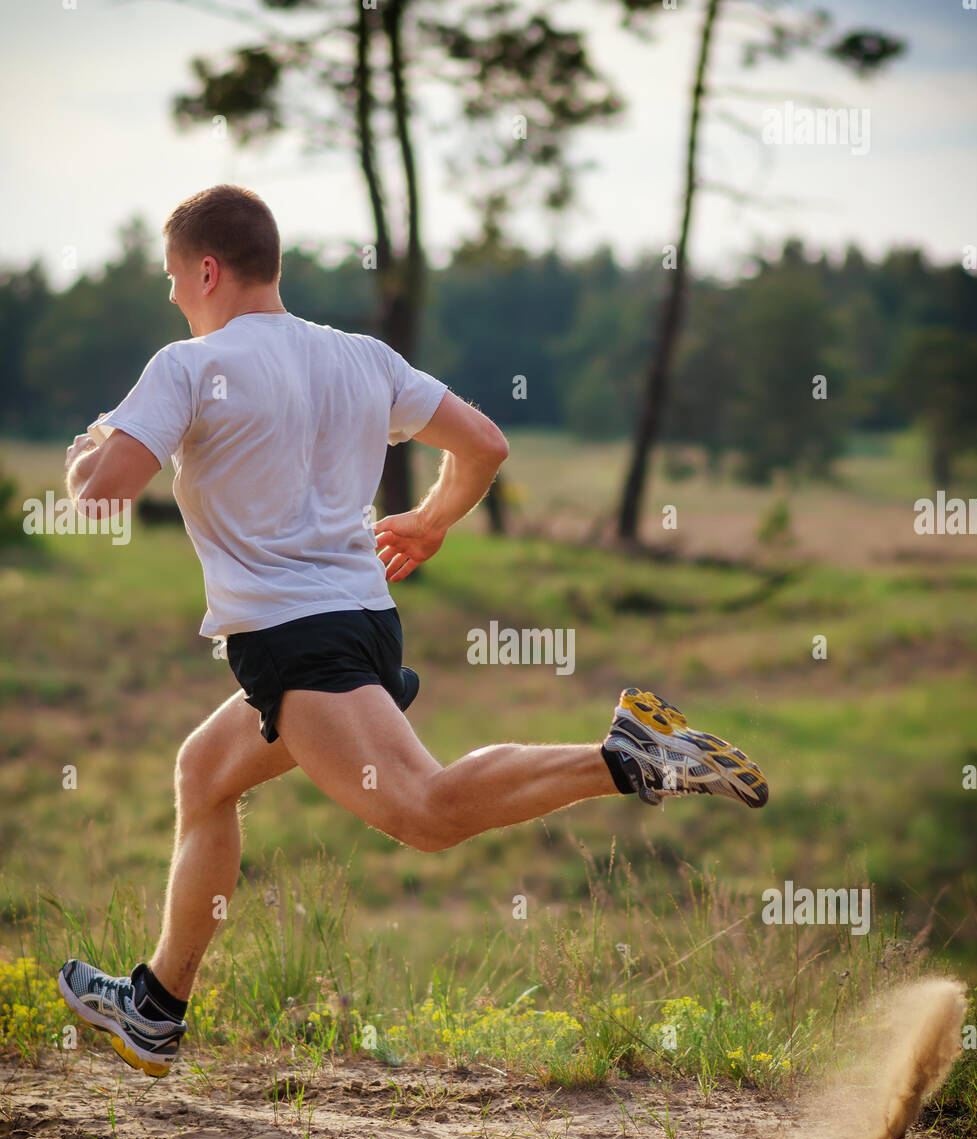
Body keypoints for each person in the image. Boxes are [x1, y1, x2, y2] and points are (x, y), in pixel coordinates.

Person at [58, 185, 768, 1079]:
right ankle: (157, 1008)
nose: (170, 297)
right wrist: (430, 522)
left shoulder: (188, 366)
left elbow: (102, 494)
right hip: (361, 625)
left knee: (426, 813)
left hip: (298, 645)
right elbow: (484, 445)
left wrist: (91, 443)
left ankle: (629, 755)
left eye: (172, 276)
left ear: (207, 269)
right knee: (205, 773)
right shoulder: (361, 357)